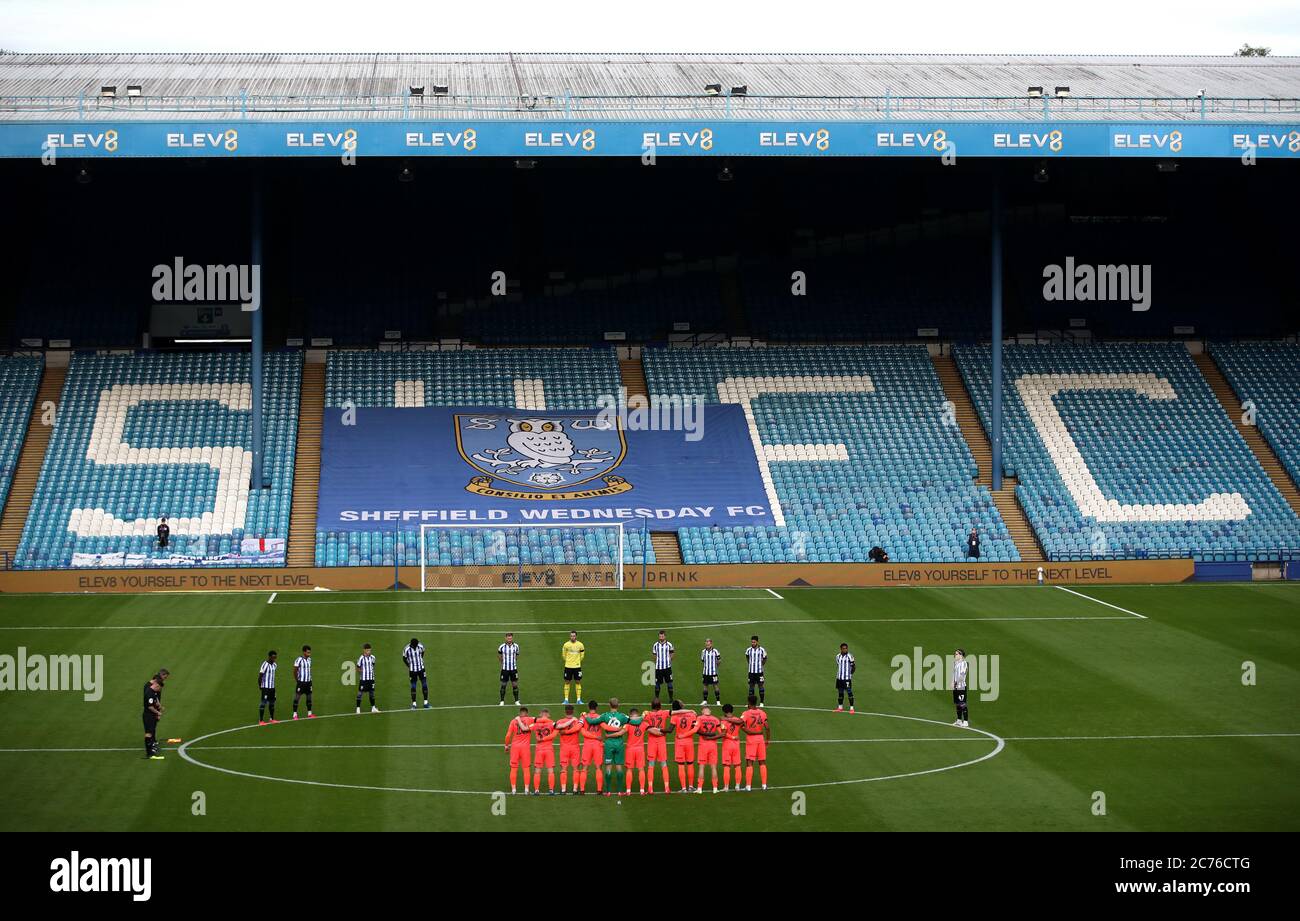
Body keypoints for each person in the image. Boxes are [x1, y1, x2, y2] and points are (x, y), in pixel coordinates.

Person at [599, 698, 632, 796]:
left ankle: (608, 791)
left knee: (608, 767)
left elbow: (594, 721)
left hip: (608, 743)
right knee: (619, 767)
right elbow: (633, 722)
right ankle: (619, 791)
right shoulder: (622, 716)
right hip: (619, 743)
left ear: (609, 705)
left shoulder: (604, 716)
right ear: (618, 705)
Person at [641, 698, 672, 794]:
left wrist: (643, 713)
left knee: (651, 765)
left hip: (652, 741)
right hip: (662, 740)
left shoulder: (648, 714)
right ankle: (667, 787)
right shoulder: (664, 712)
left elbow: (639, 719)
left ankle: (650, 788)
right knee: (664, 764)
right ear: (660, 705)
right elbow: (675, 712)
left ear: (651, 705)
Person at [503, 706, 535, 795]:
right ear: (527, 713)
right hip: (525, 748)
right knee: (526, 768)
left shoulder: (513, 721)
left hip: (515, 748)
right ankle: (526, 789)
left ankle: (513, 789)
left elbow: (508, 735)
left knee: (513, 768)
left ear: (519, 713)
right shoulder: (530, 720)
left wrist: (506, 745)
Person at [741, 694, 770, 791]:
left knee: (749, 762)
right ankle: (764, 785)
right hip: (761, 738)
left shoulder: (746, 713)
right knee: (762, 761)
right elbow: (767, 727)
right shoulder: (762, 713)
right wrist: (767, 740)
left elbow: (741, 724)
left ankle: (748, 786)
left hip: (751, 739)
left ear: (749, 702)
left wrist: (748, 731)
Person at [669, 699, 698, 793]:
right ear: (680, 706)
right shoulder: (692, 714)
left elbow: (670, 729)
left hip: (679, 742)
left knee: (681, 765)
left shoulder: (674, 716)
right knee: (690, 764)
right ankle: (691, 786)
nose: (683, 702)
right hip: (689, 741)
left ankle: (684, 788)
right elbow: (694, 728)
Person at [578, 699, 605, 794]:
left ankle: (581, 790)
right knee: (598, 767)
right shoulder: (600, 717)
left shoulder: (583, 717)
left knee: (584, 767)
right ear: (596, 708)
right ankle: (599, 790)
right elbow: (605, 727)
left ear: (588, 707)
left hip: (587, 745)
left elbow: (581, 730)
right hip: (598, 745)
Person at [555, 704, 583, 794]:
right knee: (576, 768)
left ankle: (563, 790)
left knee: (563, 768)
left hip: (564, 748)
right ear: (573, 711)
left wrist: (564, 732)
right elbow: (580, 730)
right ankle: (575, 789)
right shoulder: (577, 721)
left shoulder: (560, 721)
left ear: (565, 711)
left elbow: (558, 730)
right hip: (575, 748)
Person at [694, 706, 723, 793]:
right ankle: (715, 788)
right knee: (713, 767)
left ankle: (699, 788)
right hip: (713, 745)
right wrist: (712, 737)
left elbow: (696, 730)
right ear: (710, 711)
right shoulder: (715, 719)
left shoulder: (699, 718)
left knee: (701, 766)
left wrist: (705, 735)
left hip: (703, 744)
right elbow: (721, 733)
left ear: (703, 711)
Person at [531, 708, 558, 795]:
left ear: (540, 715)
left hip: (539, 749)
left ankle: (536, 790)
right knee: (550, 771)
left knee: (537, 771)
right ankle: (551, 790)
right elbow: (557, 730)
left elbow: (525, 728)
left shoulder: (535, 724)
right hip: (549, 749)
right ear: (548, 715)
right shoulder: (552, 723)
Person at [623, 707, 648, 795]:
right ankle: (642, 790)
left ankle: (628, 791)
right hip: (640, 749)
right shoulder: (644, 724)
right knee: (641, 769)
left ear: (630, 715)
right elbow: (652, 729)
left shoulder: (628, 724)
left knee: (629, 769)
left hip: (630, 749)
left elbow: (621, 732)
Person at [719, 703, 743, 791]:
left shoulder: (723, 721)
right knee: (737, 765)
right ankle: (737, 786)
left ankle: (726, 787)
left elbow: (723, 734)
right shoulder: (737, 719)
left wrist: (725, 719)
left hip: (727, 744)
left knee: (726, 766)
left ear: (724, 711)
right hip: (736, 744)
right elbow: (741, 722)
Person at [142, 674, 165, 760]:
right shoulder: (149, 693)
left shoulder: (153, 692)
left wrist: (159, 706)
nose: (159, 690)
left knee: (151, 732)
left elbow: (156, 701)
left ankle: (151, 749)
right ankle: (149, 753)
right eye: (159, 688)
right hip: (148, 716)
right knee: (148, 733)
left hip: (151, 715)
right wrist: (158, 713)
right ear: (156, 685)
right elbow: (150, 707)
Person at [403, 637, 430, 710]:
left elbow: (423, 653)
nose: (416, 646)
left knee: (424, 683)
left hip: (421, 668)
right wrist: (409, 665)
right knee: (413, 685)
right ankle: (414, 704)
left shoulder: (420, 646)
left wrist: (420, 660)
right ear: (411, 645)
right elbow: (404, 658)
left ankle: (425, 702)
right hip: (412, 670)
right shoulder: (407, 649)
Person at [562, 630, 585, 704]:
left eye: (574, 636)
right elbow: (563, 655)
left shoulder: (580, 645)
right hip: (568, 666)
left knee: (578, 682)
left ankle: (578, 699)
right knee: (567, 682)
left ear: (576, 636)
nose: (573, 637)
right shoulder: (566, 645)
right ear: (570, 636)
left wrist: (577, 662)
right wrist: (568, 662)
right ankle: (566, 700)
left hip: (577, 666)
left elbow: (582, 655)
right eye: (571, 636)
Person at [292, 645, 314, 719]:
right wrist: (297, 680)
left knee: (309, 697)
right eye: (308, 652)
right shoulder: (299, 660)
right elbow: (295, 670)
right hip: (301, 682)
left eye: (309, 652)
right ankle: (295, 714)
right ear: (304, 652)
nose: (309, 654)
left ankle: (309, 713)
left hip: (308, 682)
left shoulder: (309, 660)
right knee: (297, 697)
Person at [744, 636, 767, 708]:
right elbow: (747, 657)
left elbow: (765, 658)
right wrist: (750, 664)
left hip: (759, 672)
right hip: (751, 672)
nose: (752, 643)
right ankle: (751, 703)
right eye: (752, 642)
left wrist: (761, 664)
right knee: (751, 686)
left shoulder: (762, 650)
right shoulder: (749, 650)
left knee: (760, 685)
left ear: (757, 642)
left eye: (754, 642)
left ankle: (762, 702)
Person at [651, 630, 675, 701]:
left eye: (662, 636)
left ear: (665, 636)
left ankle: (671, 698)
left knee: (670, 684)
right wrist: (657, 662)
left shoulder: (669, 645)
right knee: (657, 684)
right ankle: (657, 698)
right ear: (659, 636)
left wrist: (669, 660)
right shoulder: (655, 645)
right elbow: (654, 655)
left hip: (667, 667)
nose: (661, 637)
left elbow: (672, 654)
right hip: (658, 668)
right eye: (660, 636)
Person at [498, 632, 520, 706]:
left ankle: (516, 701)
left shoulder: (516, 646)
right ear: (506, 638)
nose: (509, 639)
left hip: (513, 669)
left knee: (515, 684)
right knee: (503, 684)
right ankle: (502, 701)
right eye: (508, 638)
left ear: (512, 638)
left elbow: (516, 656)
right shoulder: (502, 646)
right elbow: (499, 655)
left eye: (510, 638)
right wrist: (502, 662)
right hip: (505, 669)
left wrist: (513, 662)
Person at [355, 643, 378, 714]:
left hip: (371, 678)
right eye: (367, 650)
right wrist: (361, 673)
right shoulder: (361, 658)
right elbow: (358, 667)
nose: (369, 652)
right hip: (364, 679)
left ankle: (373, 707)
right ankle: (358, 708)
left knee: (372, 693)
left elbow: (372, 665)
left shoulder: (373, 657)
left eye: (370, 650)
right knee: (360, 693)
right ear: (364, 650)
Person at [258, 650, 278, 725]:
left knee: (272, 703)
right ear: (269, 657)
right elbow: (260, 676)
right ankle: (261, 720)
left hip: (272, 687)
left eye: (275, 657)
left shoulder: (275, 665)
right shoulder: (265, 665)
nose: (274, 659)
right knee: (263, 703)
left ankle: (272, 719)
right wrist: (261, 686)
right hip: (265, 687)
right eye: (273, 657)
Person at [700, 638, 722, 706]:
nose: (707, 644)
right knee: (705, 686)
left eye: (708, 643)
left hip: (713, 672)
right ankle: (705, 700)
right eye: (706, 643)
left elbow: (719, 660)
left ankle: (718, 701)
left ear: (711, 644)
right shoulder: (703, 651)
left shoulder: (715, 651)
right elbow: (703, 660)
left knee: (715, 685)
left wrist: (715, 667)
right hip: (705, 672)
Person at [835, 642, 856, 713]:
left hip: (847, 678)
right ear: (841, 649)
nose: (845, 650)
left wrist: (850, 674)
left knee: (849, 692)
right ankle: (840, 707)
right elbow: (838, 665)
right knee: (840, 692)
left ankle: (852, 708)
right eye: (843, 648)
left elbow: (853, 666)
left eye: (846, 648)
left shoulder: (850, 656)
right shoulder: (838, 656)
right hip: (839, 678)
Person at [953, 648, 970, 727]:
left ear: (961, 655)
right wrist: (952, 682)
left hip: (961, 686)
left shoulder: (964, 663)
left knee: (962, 703)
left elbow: (962, 675)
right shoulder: (956, 663)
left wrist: (956, 683)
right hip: (956, 686)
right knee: (957, 704)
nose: (955, 655)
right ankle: (959, 720)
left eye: (956, 654)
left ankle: (966, 721)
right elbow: (954, 674)